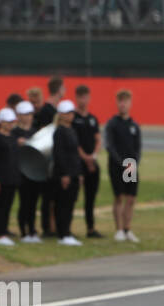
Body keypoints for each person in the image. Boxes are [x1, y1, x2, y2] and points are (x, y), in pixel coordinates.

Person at [105, 89, 142, 242]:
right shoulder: (112, 124)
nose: (123, 104)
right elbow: (110, 146)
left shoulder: (134, 125)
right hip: (117, 165)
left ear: (130, 103)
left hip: (130, 165)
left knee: (130, 198)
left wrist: (134, 163)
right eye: (121, 101)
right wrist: (120, 162)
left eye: (126, 101)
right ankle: (119, 229)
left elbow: (138, 147)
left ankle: (127, 229)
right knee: (119, 197)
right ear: (117, 103)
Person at [72, 85, 103, 238]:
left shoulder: (92, 119)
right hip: (77, 163)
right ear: (76, 98)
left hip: (92, 161)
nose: (83, 100)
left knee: (90, 197)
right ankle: (66, 228)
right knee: (73, 196)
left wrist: (93, 156)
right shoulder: (73, 119)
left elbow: (98, 139)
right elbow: (73, 142)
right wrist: (84, 157)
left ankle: (91, 228)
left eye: (86, 97)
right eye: (80, 97)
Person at [51, 99, 83, 246]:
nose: (71, 115)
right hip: (64, 174)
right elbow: (59, 154)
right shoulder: (59, 132)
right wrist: (64, 174)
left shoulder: (72, 130)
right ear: (62, 115)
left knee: (70, 204)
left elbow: (75, 154)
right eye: (68, 112)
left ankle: (67, 231)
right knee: (63, 204)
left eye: (71, 112)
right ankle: (63, 233)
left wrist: (79, 173)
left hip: (74, 172)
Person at [0, 107, 21, 246]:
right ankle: (0, 232)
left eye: (11, 121)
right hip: (1, 178)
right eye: (7, 122)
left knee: (8, 205)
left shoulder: (13, 137)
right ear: (1, 122)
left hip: (11, 177)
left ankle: (4, 229)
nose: (9, 124)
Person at [37, 78, 63, 237]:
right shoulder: (47, 111)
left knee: (55, 196)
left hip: (57, 158)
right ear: (59, 89)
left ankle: (54, 226)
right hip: (48, 159)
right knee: (47, 196)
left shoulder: (55, 109)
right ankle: (47, 227)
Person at [13, 101, 41, 243]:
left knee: (33, 203)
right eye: (25, 114)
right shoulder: (15, 132)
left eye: (30, 114)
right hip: (21, 172)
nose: (28, 117)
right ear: (19, 116)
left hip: (34, 171)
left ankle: (32, 230)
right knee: (24, 202)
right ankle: (24, 232)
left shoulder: (35, 131)